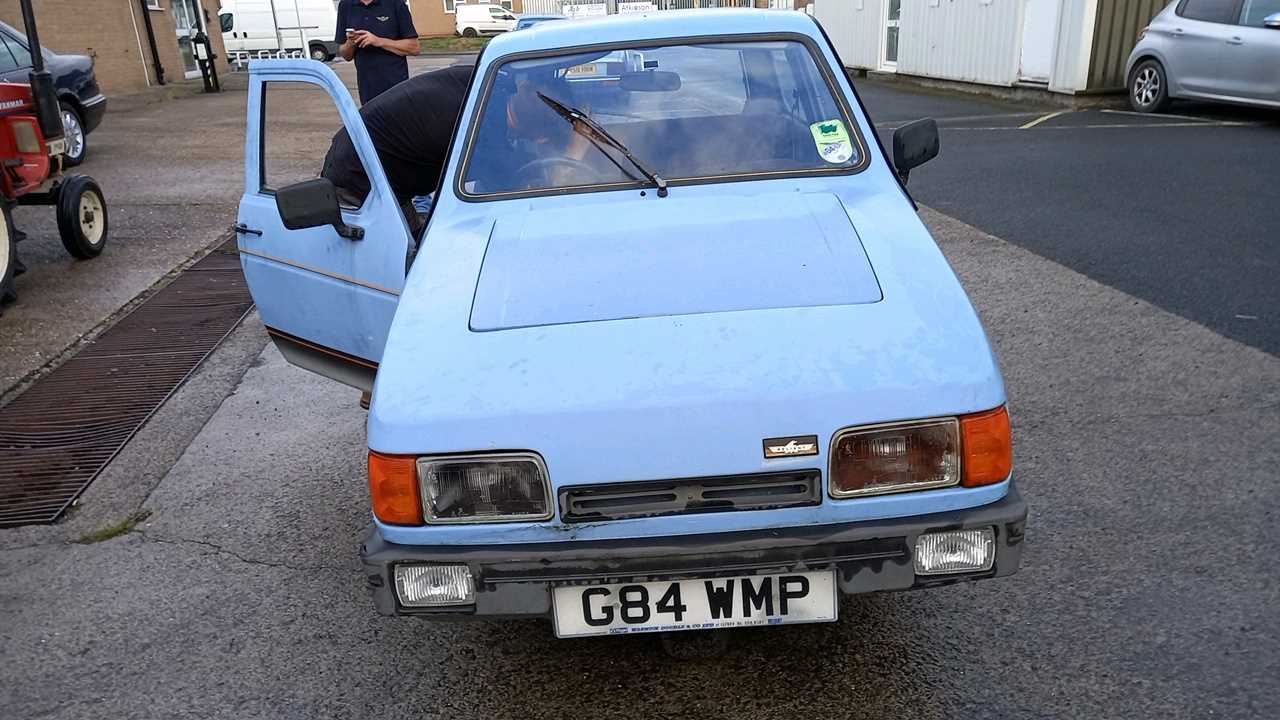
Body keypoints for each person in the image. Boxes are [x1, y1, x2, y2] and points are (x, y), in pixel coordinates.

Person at [320, 64, 473, 225]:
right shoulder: (473, 103)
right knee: (409, 245)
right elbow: (490, 181)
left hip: (378, 166)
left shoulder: (475, 84)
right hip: (358, 176)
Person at [335, 0, 420, 105]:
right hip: (367, 94)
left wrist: (378, 41)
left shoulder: (396, 3)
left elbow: (414, 47)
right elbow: (345, 55)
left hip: (397, 90)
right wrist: (351, 42)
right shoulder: (346, 5)